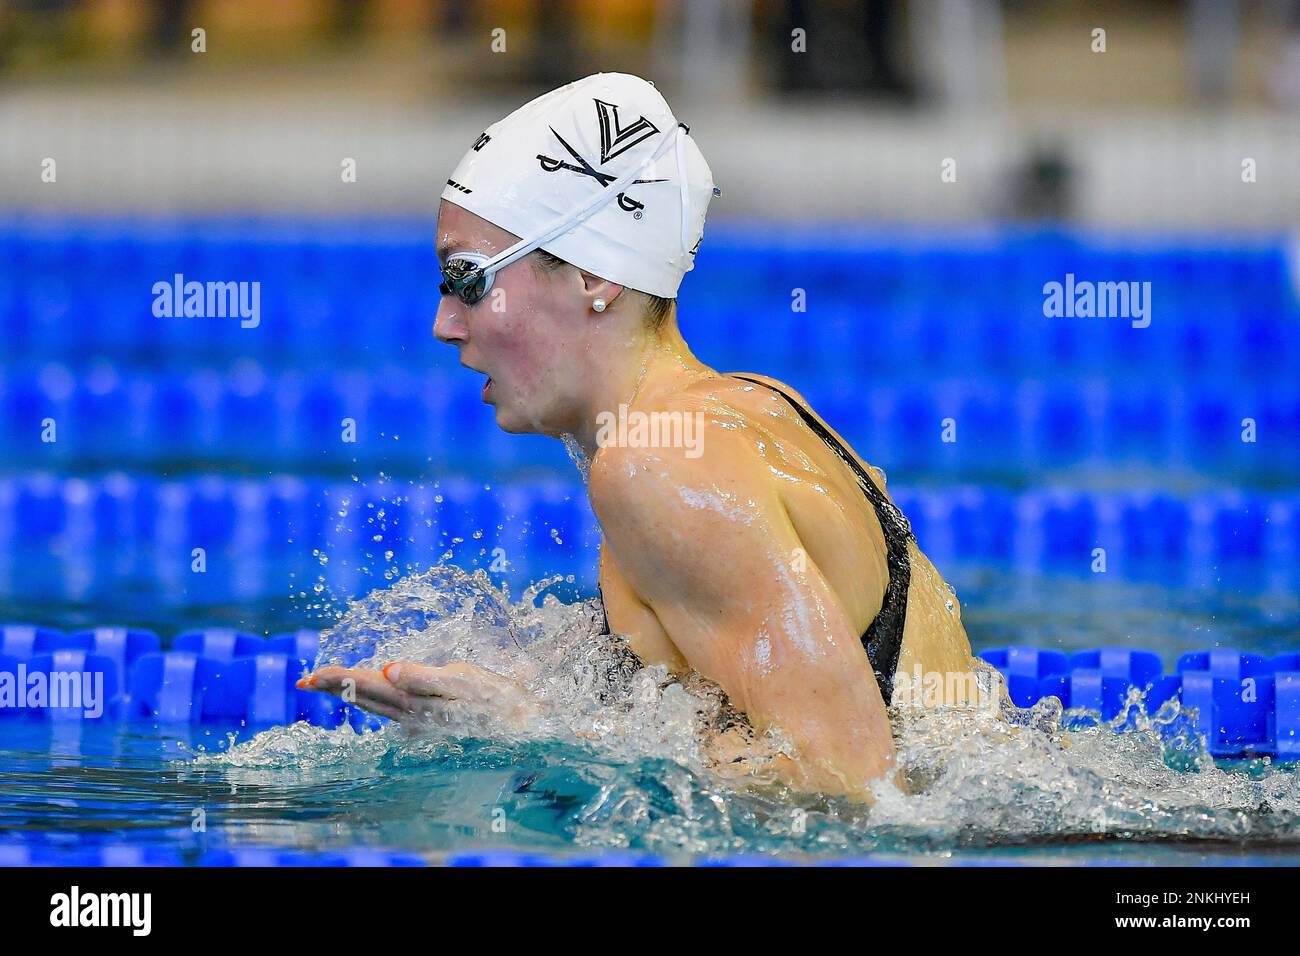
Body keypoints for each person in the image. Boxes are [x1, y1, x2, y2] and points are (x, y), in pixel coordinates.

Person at [303, 72, 976, 803]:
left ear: (594, 275)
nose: (445, 323)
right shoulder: (757, 403)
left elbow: (854, 787)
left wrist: (529, 730)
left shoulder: (654, 463)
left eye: (467, 279)